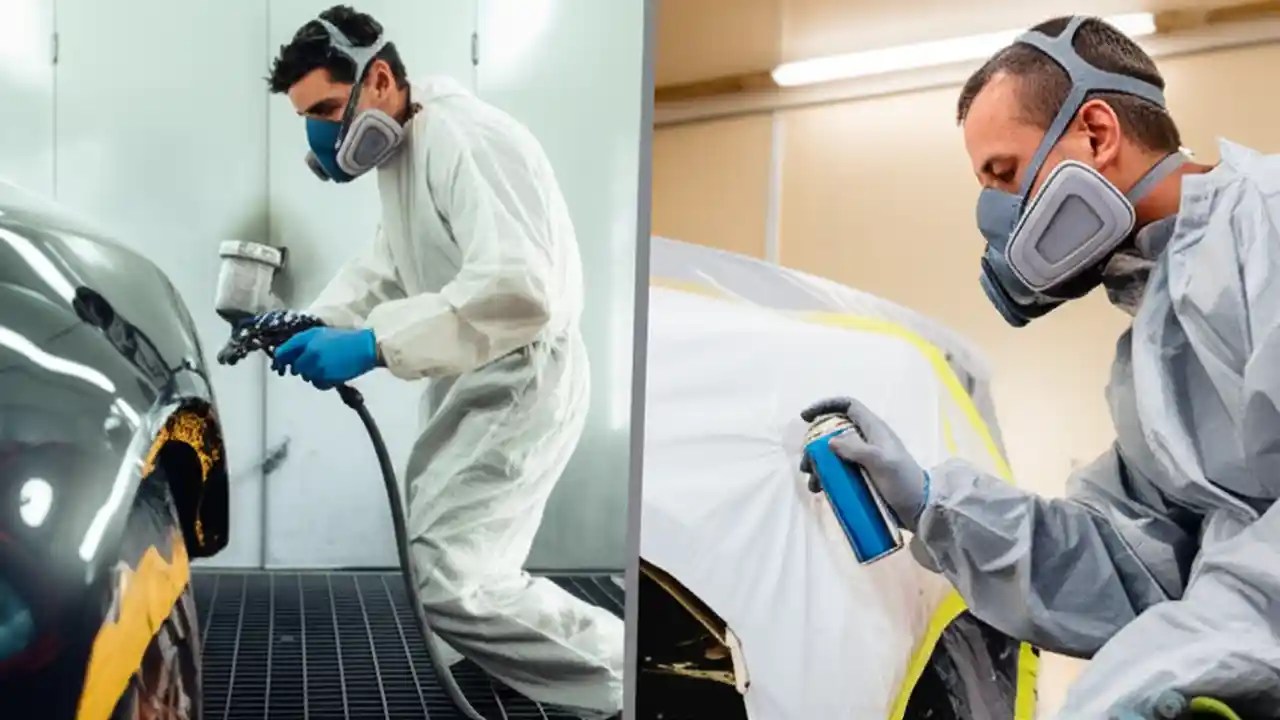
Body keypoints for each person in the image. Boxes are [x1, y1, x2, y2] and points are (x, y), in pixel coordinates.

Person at [803, 15, 1280, 719]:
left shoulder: (1267, 226)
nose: (1000, 216)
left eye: (1006, 174)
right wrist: (936, 505)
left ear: (1097, 132)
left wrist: (1149, 673)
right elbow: (1132, 570)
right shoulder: (1152, 344)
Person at [262, 6, 623, 718]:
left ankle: (617, 678)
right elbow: (390, 265)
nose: (326, 135)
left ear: (382, 78)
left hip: (520, 376)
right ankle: (522, 669)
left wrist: (369, 344)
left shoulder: (467, 138)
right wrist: (320, 319)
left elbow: (522, 289)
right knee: (463, 558)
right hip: (476, 372)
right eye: (310, 117)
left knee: (445, 576)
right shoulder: (406, 150)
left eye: (331, 109)